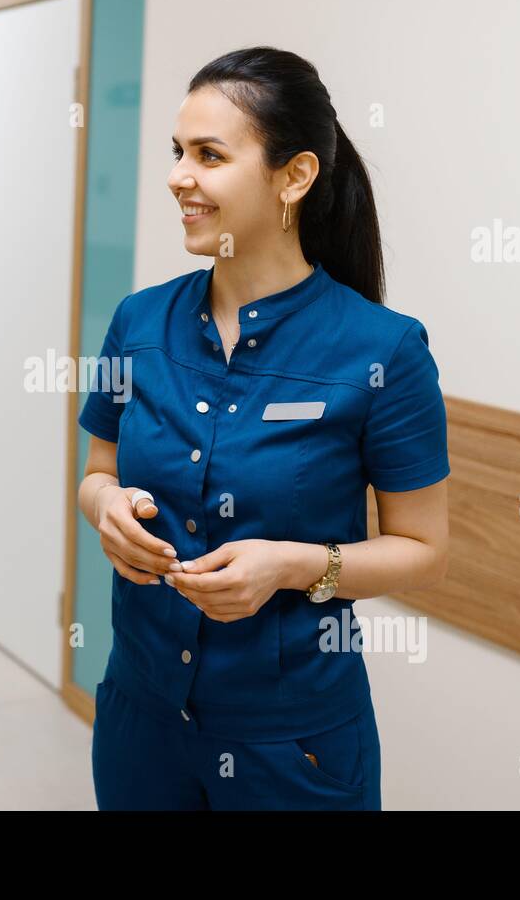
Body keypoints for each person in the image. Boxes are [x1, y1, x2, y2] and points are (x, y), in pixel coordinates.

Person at [77, 46, 451, 810]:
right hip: (140, 718)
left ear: (295, 176)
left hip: (293, 745)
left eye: (210, 155)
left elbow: (422, 550)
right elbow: (97, 470)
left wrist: (290, 566)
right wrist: (105, 510)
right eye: (178, 152)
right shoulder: (138, 322)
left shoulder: (383, 349)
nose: (180, 176)